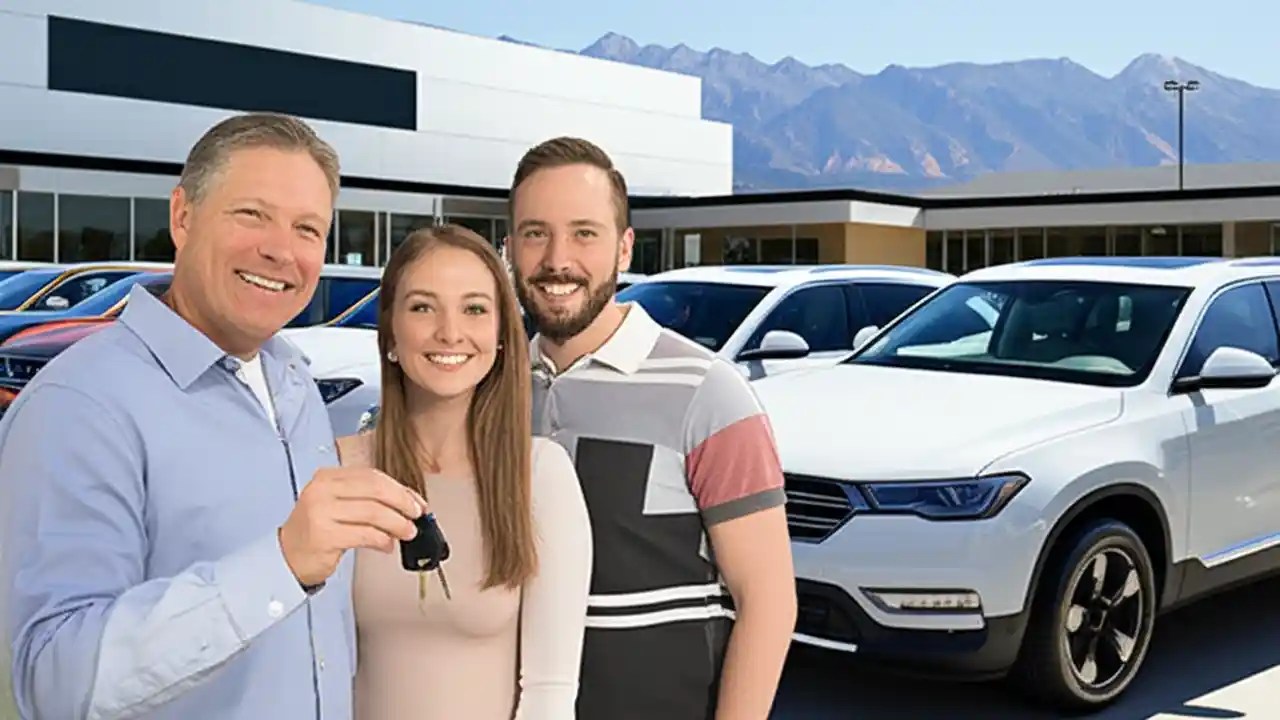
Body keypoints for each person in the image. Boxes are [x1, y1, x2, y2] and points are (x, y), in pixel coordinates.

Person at [0, 112, 428, 720]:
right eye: (252, 214)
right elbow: (56, 682)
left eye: (307, 228)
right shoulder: (80, 407)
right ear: (182, 216)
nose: (281, 249)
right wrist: (279, 565)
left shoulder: (295, 382)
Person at [506, 136, 799, 720]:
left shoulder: (708, 392)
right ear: (510, 248)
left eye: (584, 233)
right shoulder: (490, 386)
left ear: (623, 248)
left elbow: (768, 602)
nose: (557, 258)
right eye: (536, 233)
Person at [338, 225, 591, 720]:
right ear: (389, 332)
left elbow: (550, 692)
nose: (449, 332)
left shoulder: (541, 476)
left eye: (474, 308)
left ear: (500, 335)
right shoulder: (338, 470)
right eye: (422, 307)